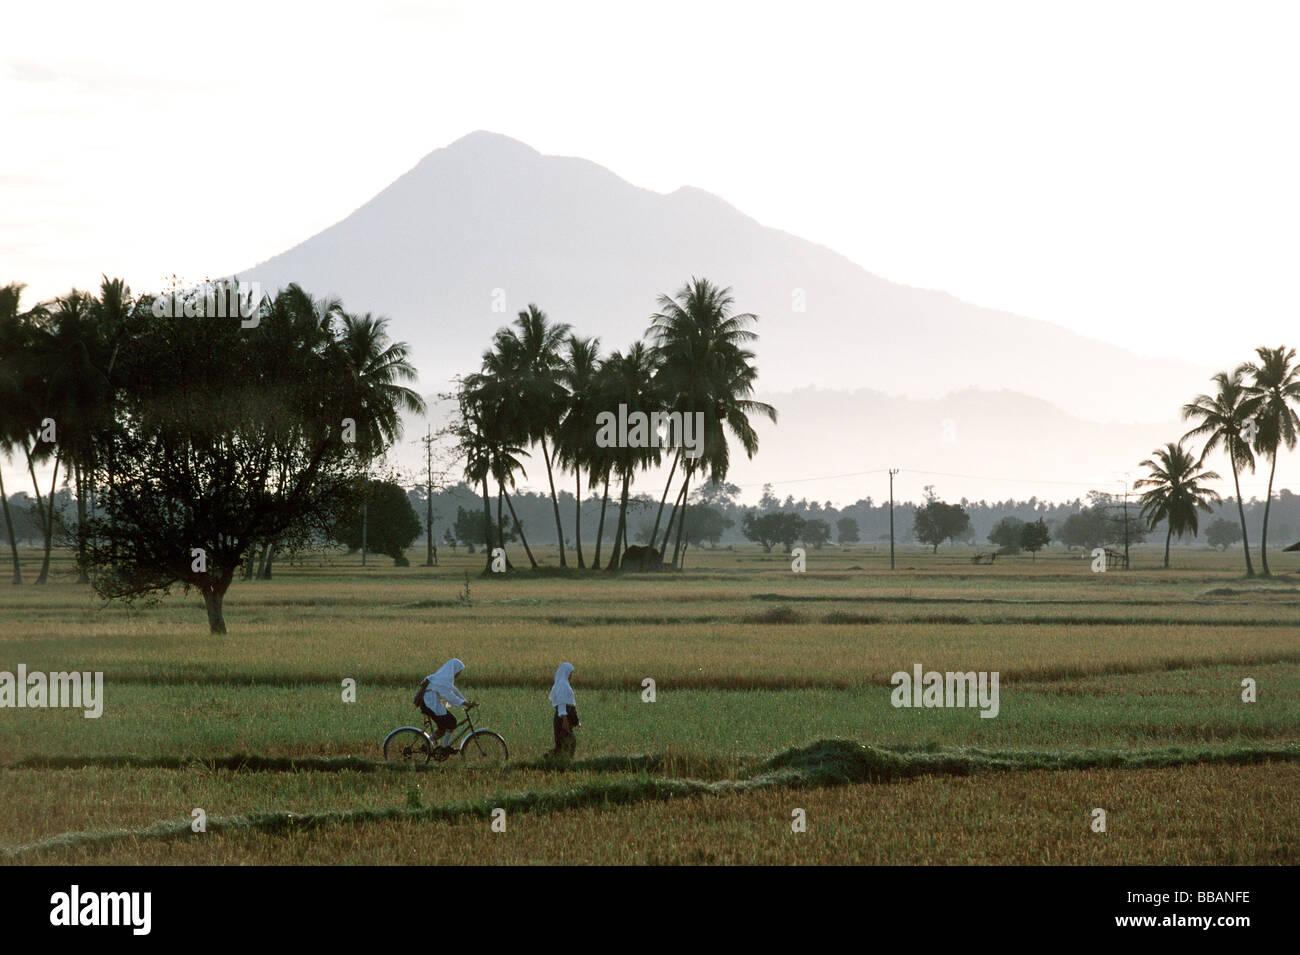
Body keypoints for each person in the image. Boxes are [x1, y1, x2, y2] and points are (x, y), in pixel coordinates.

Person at [415, 658, 475, 751]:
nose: (459, 674)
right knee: (452, 722)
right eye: (459, 672)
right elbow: (450, 696)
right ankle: (444, 748)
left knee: (443, 729)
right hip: (429, 704)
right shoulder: (442, 681)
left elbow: (454, 690)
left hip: (429, 703)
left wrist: (466, 701)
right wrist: (466, 704)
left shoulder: (444, 678)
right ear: (454, 670)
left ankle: (426, 744)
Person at [549, 661, 580, 757]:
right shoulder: (563, 686)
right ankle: (555, 760)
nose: (571, 676)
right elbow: (562, 705)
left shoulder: (562, 684)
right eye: (570, 673)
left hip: (563, 718)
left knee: (563, 743)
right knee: (569, 742)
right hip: (563, 719)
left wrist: (575, 721)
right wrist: (565, 721)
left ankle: (555, 760)